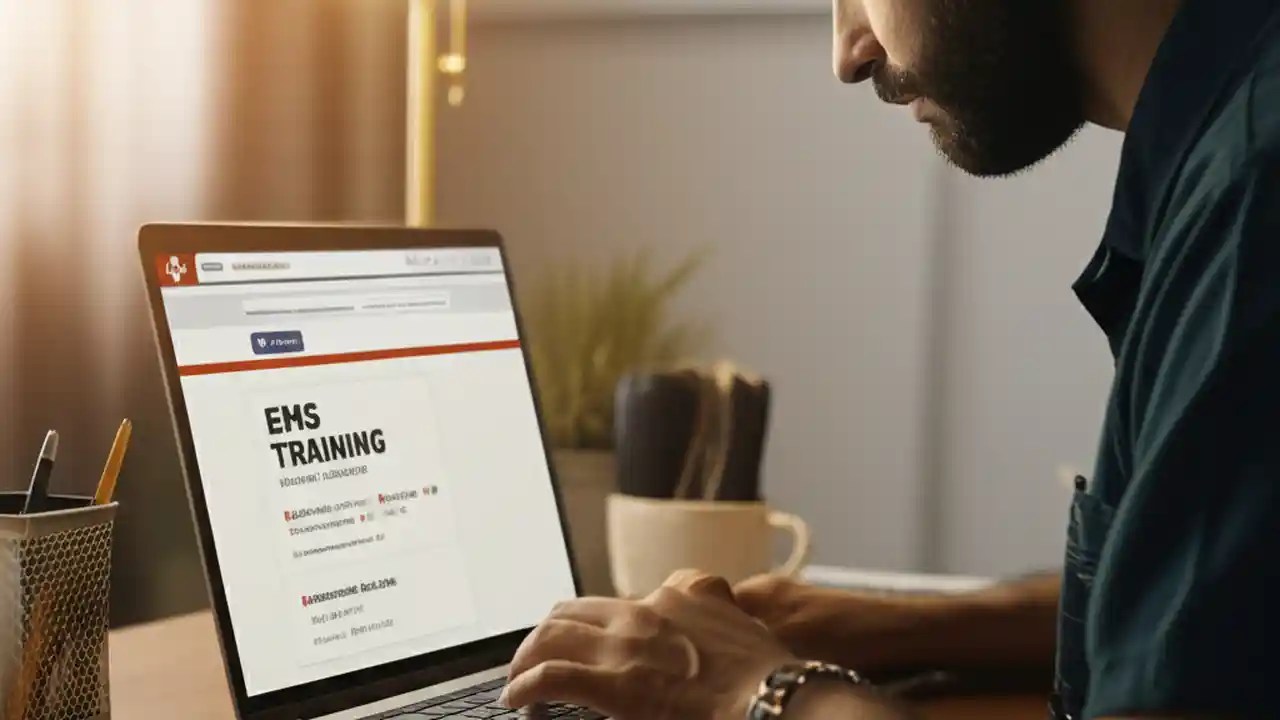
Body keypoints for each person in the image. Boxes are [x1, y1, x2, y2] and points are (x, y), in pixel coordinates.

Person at [501, 0, 1280, 717]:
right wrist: (899, 626)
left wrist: (757, 690)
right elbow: (1217, 621)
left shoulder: (1254, 199)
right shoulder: (1232, 127)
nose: (848, 50)